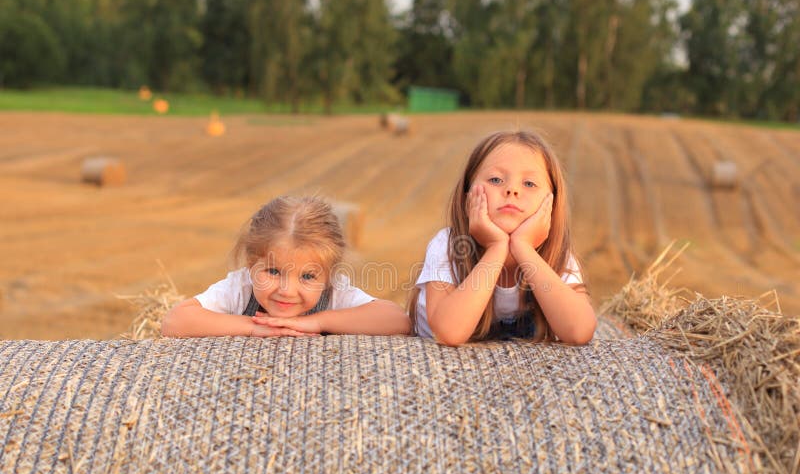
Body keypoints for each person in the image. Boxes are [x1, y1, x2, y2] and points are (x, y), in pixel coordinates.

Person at [409, 130, 596, 346]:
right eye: (496, 179)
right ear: (468, 195)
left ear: (552, 203)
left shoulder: (558, 255)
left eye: (529, 184)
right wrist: (496, 248)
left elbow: (580, 331)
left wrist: (523, 248)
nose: (512, 189)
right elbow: (449, 333)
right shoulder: (449, 245)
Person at [162, 196, 411, 337]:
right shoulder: (241, 287)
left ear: (328, 276)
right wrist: (254, 327)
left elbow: (396, 320)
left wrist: (319, 321)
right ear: (251, 265)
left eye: (307, 277)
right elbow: (176, 321)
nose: (287, 291)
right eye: (273, 271)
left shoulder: (335, 294)